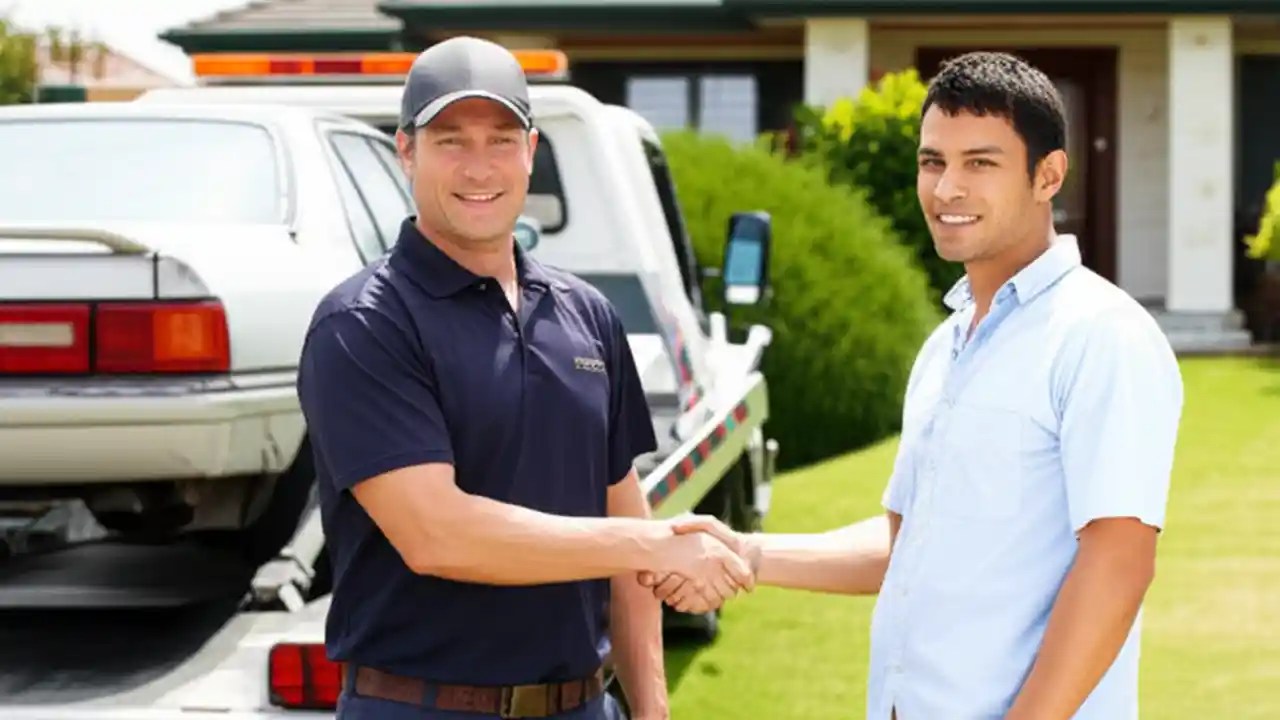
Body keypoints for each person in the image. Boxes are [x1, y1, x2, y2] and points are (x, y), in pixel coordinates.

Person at [643, 51, 1184, 719]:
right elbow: (908, 544)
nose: (947, 188)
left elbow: (1119, 562)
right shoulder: (945, 347)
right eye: (933, 161)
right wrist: (747, 552)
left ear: (1048, 175)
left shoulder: (1103, 335)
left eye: (979, 163)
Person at [296, 36, 755, 720]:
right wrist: (652, 543)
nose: (479, 166)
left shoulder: (586, 315)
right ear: (406, 151)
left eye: (501, 139)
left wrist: (652, 710)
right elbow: (438, 535)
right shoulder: (365, 324)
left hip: (582, 706)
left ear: (531, 152)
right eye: (451, 140)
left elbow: (625, 523)